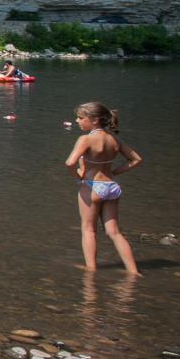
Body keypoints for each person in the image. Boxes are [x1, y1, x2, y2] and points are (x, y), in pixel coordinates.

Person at [66, 101, 142, 275]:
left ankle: (91, 271)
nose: (77, 121)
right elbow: (136, 159)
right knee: (114, 232)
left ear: (94, 120)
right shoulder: (114, 139)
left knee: (88, 229)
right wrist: (115, 171)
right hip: (111, 186)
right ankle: (134, 271)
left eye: (80, 118)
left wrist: (78, 175)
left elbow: (69, 162)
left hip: (92, 186)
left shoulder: (85, 139)